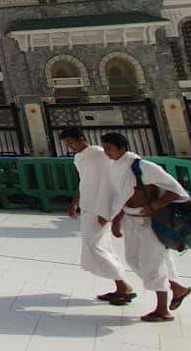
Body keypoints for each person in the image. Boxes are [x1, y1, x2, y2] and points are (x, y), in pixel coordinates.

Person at [102, 132, 191, 322]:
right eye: (104, 148)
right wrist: (116, 220)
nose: (106, 152)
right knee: (133, 259)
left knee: (153, 263)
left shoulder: (142, 166)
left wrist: (155, 205)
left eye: (109, 148)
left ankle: (162, 309)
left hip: (150, 222)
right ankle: (176, 287)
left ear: (121, 148)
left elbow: (176, 190)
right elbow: (122, 195)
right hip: (131, 220)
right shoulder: (115, 168)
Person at [58, 128, 134, 304]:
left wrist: (106, 210)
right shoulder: (79, 157)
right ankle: (120, 286)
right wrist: (75, 203)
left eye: (71, 142)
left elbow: (109, 182)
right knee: (100, 245)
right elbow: (84, 181)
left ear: (81, 139)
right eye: (67, 144)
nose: (70, 146)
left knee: (93, 244)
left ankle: (123, 285)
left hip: (100, 207)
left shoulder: (99, 155)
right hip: (88, 205)